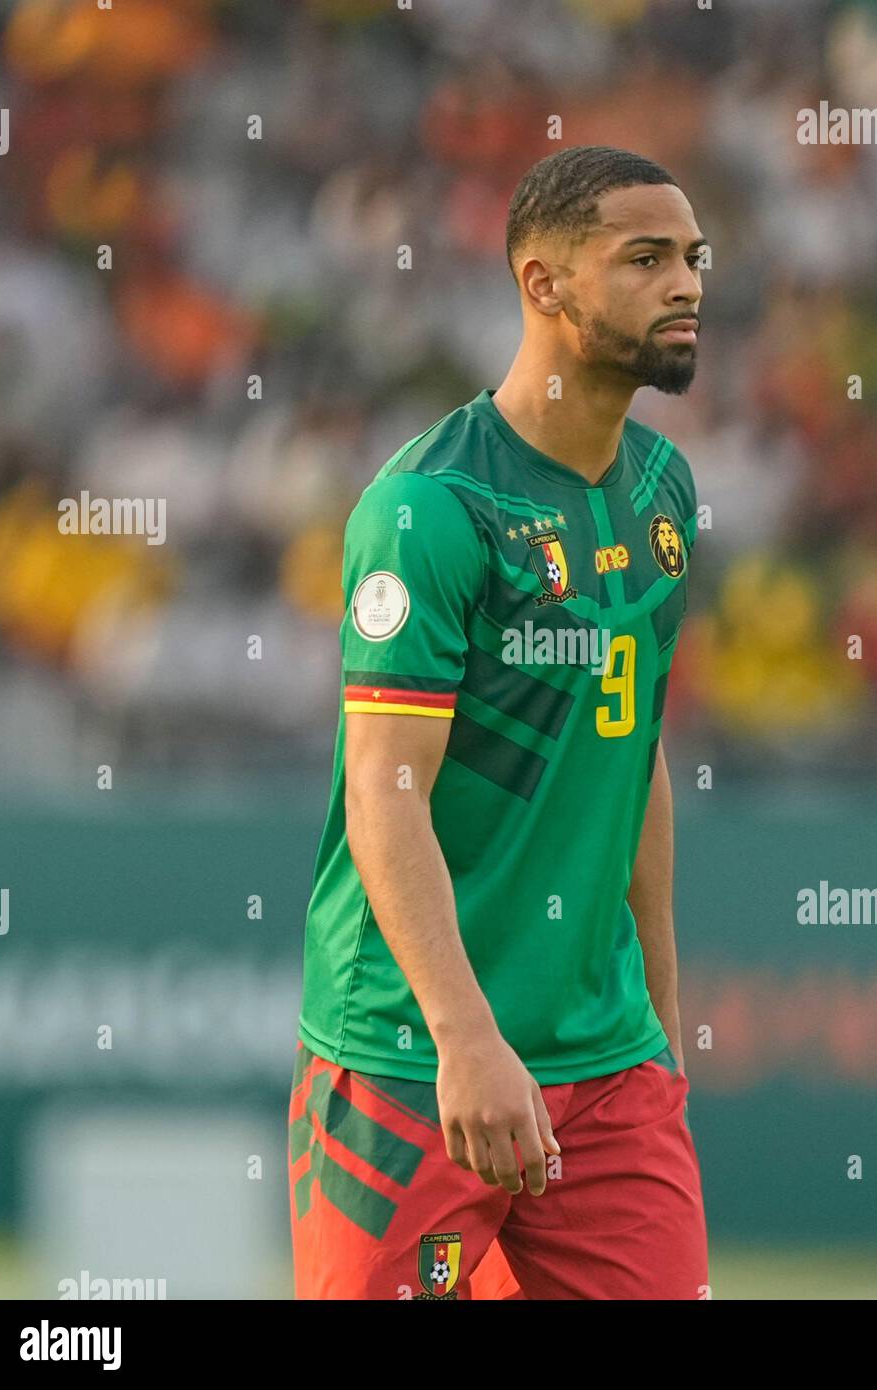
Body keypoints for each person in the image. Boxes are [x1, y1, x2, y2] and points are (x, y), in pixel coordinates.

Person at [289, 144, 708, 1299]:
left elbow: (634, 758)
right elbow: (385, 790)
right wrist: (466, 1039)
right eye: (645, 259)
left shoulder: (665, 491)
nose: (687, 284)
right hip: (411, 1064)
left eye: (692, 256)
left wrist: (661, 1023)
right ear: (545, 285)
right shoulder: (430, 510)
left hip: (607, 1073)